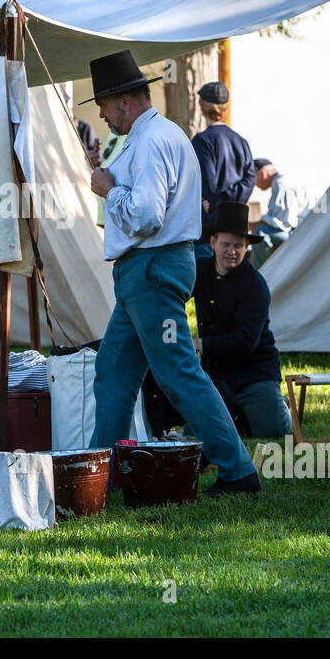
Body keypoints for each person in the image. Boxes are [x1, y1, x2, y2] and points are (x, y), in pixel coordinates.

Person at [85, 49, 260, 497]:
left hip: (152, 269)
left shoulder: (148, 142)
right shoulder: (161, 136)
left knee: (178, 372)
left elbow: (146, 215)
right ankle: (98, 477)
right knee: (113, 371)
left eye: (102, 105)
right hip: (146, 272)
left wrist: (109, 189)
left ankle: (238, 470)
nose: (102, 115)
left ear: (124, 100)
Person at [144, 202, 293, 438]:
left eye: (238, 246)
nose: (231, 251)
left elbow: (245, 342)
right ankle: (233, 414)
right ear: (213, 243)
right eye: (225, 244)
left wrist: (198, 344)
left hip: (253, 374)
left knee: (271, 431)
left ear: (247, 248)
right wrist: (168, 331)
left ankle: (279, 406)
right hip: (215, 374)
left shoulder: (255, 286)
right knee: (196, 432)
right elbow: (171, 296)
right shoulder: (200, 270)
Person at [190, 80, 254, 261]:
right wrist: (232, 203)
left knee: (206, 285)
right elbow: (249, 181)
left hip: (210, 231)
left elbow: (208, 186)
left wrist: (215, 201)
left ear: (202, 107)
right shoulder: (241, 141)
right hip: (235, 227)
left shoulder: (202, 141)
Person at [249, 158, 313, 268]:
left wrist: (253, 224)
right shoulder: (285, 180)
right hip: (306, 228)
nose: (255, 185)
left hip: (300, 232)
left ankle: (263, 274)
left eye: (253, 179)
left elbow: (283, 223)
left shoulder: (281, 183)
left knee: (259, 233)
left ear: (262, 173)